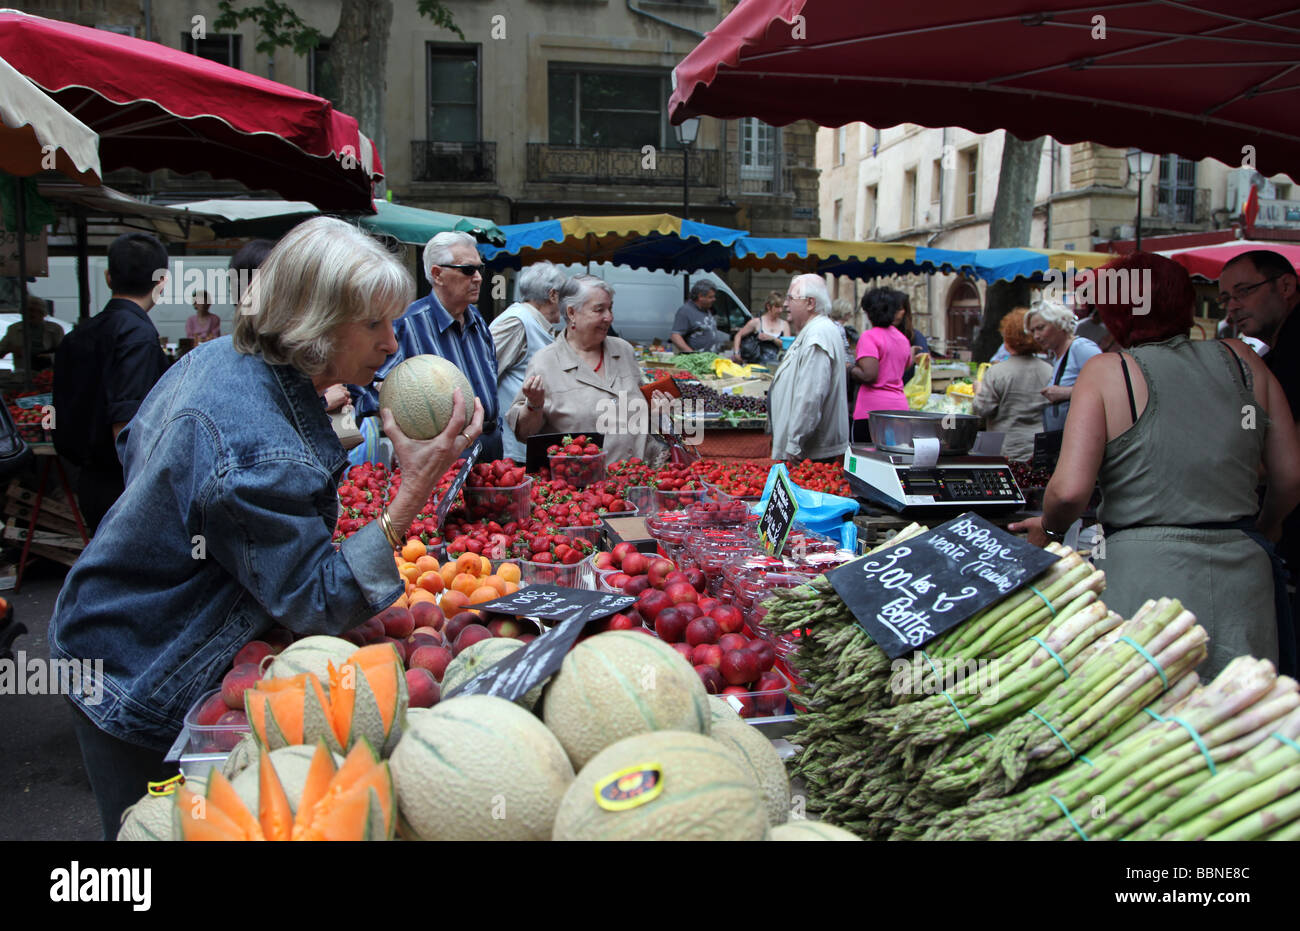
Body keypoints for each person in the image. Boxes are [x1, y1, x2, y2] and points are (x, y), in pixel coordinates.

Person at [49, 217, 483, 839]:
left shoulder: (218, 359)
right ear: (315, 324)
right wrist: (413, 488)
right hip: (136, 667)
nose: (393, 344)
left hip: (116, 633)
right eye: (373, 324)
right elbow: (317, 601)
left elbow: (139, 458)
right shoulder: (256, 449)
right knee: (152, 834)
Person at [1010, 253, 1300, 679]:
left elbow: (1069, 490)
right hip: (1243, 576)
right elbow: (1291, 476)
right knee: (1240, 732)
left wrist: (1050, 530)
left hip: (1145, 577)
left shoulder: (1107, 371)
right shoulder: (1243, 360)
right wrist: (1266, 528)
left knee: (1150, 726)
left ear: (1115, 314)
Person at [52, 232, 170, 534]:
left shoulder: (76, 336)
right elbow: (125, 423)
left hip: (90, 480)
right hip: (126, 486)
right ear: (162, 281)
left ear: (108, 277)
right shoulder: (138, 337)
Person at [354, 231, 503, 461]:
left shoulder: (478, 321)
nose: (478, 277)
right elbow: (365, 389)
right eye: (468, 270)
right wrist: (398, 403)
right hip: (442, 454)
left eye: (480, 269)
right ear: (437, 274)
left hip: (490, 445)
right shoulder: (406, 324)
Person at [1219, 249, 1300, 660]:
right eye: (1225, 298)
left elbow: (1284, 466)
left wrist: (1269, 525)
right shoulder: (1274, 353)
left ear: (1285, 286)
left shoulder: (1291, 355)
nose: (1233, 306)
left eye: (1243, 291)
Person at [507, 275, 667, 465]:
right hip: (582, 487)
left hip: (637, 480)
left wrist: (658, 414)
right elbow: (525, 434)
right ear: (572, 313)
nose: (609, 317)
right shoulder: (545, 362)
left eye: (610, 308)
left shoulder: (624, 351)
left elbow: (639, 410)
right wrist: (534, 405)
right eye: (599, 310)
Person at [768, 274, 849, 464]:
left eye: (791, 298)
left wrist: (794, 443)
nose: (786, 304)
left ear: (810, 303)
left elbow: (810, 396)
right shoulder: (814, 330)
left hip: (811, 454)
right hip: (808, 450)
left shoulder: (818, 334)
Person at [491, 261, 566, 461]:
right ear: (553, 295)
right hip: (513, 447)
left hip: (529, 441)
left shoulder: (537, 323)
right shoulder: (517, 321)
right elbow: (483, 374)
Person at [971, 308, 1052, 460]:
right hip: (1040, 449)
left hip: (1007, 450)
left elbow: (982, 409)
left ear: (1008, 339)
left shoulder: (997, 373)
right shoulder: (1049, 370)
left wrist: (979, 390)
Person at [1025, 298, 1101, 432]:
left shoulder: (1081, 348)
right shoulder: (1058, 356)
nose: (1036, 336)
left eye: (1040, 328)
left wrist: (1065, 393)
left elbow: (1109, 388)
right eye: (1033, 331)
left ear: (1059, 324)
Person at [849, 287, 911, 443]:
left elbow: (869, 374)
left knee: (866, 461)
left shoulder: (869, 337)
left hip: (871, 412)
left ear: (870, 312)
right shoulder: (902, 339)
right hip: (899, 409)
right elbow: (906, 365)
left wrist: (849, 368)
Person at [0, 294, 63, 371]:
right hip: (23, 372)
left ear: (42, 313)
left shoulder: (55, 329)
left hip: (48, 372)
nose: (30, 314)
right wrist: (11, 348)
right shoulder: (14, 329)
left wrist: (49, 356)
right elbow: (1, 349)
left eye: (34, 310)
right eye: (26, 310)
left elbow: (65, 353)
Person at [731, 290, 790, 365]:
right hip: (756, 365)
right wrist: (736, 353)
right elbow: (738, 335)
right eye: (777, 307)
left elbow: (787, 346)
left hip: (776, 365)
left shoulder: (784, 325)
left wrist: (772, 338)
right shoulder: (757, 322)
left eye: (782, 307)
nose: (780, 310)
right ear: (768, 306)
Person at [671, 281, 719, 353]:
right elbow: (675, 336)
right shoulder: (685, 311)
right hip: (697, 361)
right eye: (710, 297)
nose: (714, 299)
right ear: (700, 297)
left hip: (710, 358)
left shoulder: (706, 309)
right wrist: (692, 354)